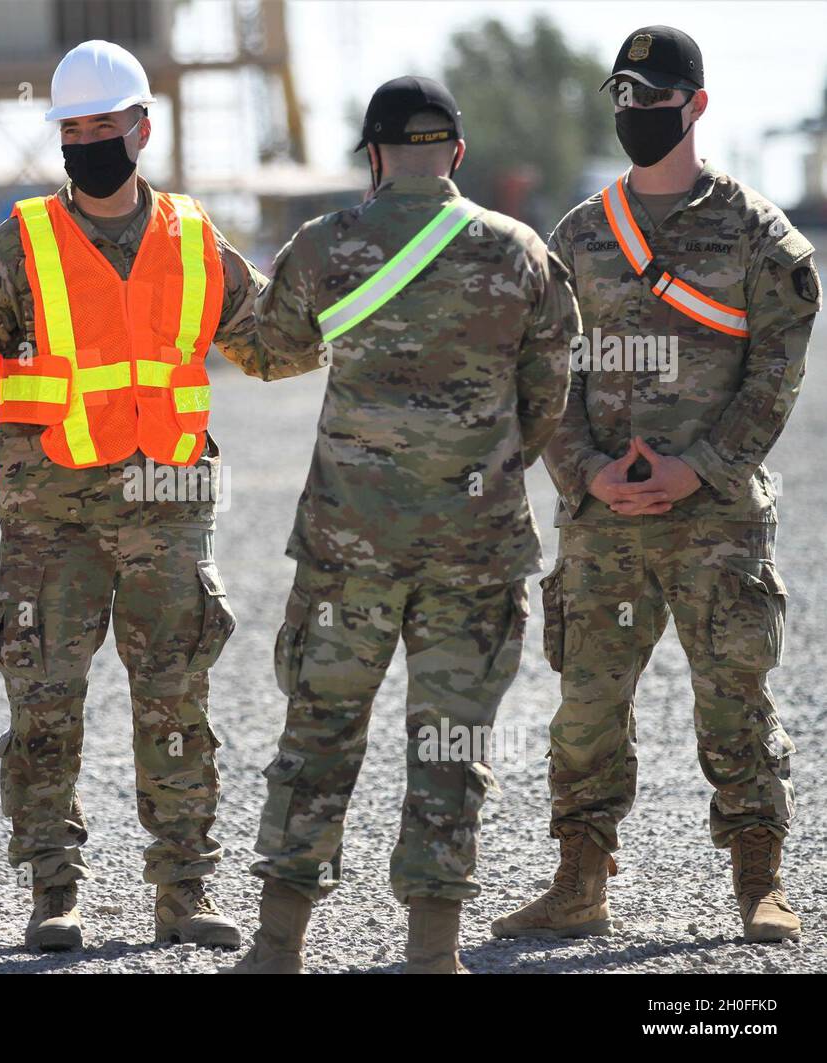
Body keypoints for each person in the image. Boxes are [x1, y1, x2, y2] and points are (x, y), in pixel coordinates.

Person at [0, 39, 273, 952]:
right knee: (44, 703)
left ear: (141, 129)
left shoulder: (194, 238)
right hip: (51, 516)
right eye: (71, 129)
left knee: (176, 701)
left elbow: (274, 339)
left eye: (102, 126)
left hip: (167, 504)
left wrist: (378, 296)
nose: (86, 143)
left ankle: (184, 890)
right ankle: (53, 892)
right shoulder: (25, 241)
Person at [230, 76, 578, 973]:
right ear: (457, 153)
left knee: (318, 735)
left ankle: (276, 949)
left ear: (375, 155)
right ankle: (432, 952)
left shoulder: (325, 245)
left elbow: (268, 353)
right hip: (477, 546)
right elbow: (547, 405)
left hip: (350, 549)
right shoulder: (521, 252)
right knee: (451, 743)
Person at [493, 26, 819, 945]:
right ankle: (578, 881)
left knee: (736, 698)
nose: (637, 112)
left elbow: (776, 377)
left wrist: (699, 468)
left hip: (715, 517)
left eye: (654, 96)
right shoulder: (579, 236)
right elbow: (545, 375)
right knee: (587, 705)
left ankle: (759, 881)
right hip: (605, 519)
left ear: (696, 105)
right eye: (624, 98)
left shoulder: (759, 236)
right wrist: (589, 470)